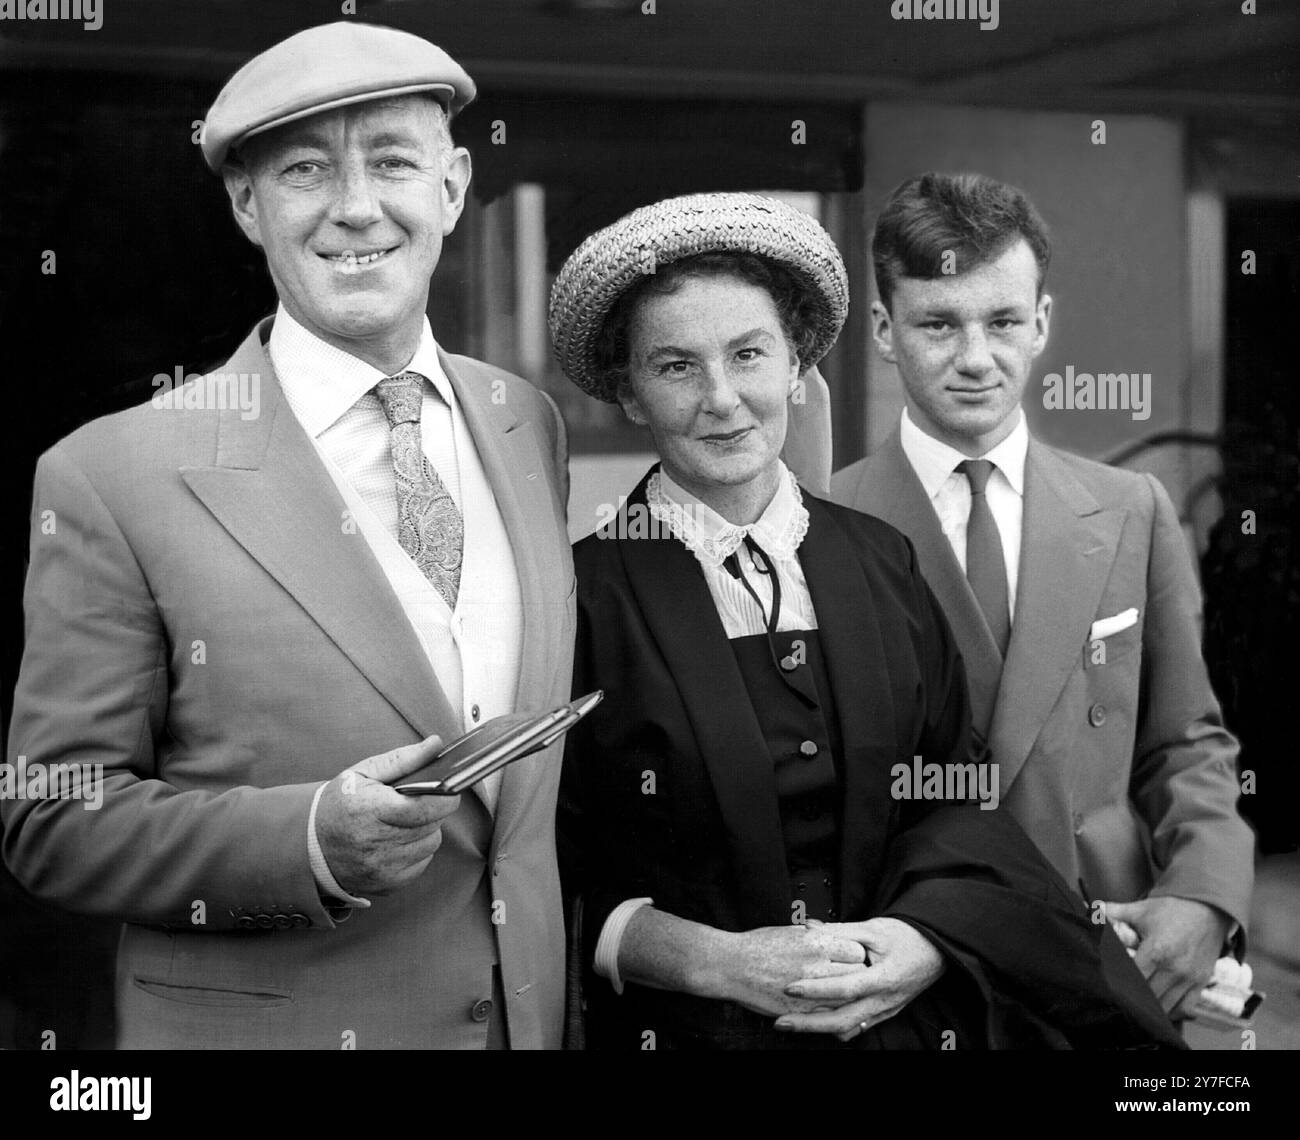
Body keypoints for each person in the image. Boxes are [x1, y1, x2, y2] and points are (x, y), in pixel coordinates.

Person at [1, 22, 575, 1049]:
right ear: (245, 206)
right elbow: (51, 821)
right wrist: (306, 840)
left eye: (392, 162)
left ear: (451, 187)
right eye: (306, 170)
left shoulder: (525, 421)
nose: (357, 207)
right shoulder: (108, 471)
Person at [549, 191, 1183, 1050]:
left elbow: (952, 790)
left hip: (900, 1028)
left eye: (749, 354)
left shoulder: (881, 561)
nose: (723, 398)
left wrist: (928, 940)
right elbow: (545, 865)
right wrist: (709, 962)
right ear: (627, 393)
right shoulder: (577, 595)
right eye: (675, 367)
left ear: (795, 365)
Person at [829, 172, 1254, 1020]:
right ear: (883, 330)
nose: (977, 357)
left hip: (1110, 955)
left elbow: (1186, 742)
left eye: (1004, 321)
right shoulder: (822, 522)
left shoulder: (1132, 510)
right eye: (939, 324)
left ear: (1043, 324)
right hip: (920, 969)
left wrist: (1204, 897)